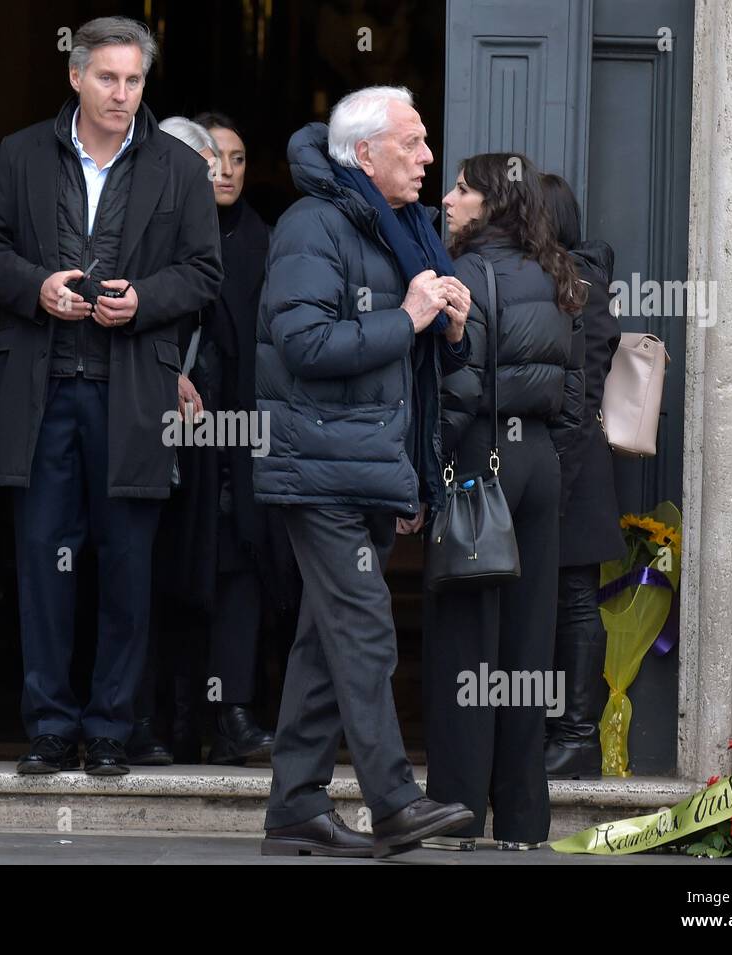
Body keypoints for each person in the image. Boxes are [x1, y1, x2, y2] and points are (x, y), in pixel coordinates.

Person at [0, 17, 222, 776]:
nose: (122, 93)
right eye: (108, 78)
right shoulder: (21, 153)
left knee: (126, 565)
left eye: (134, 80)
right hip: (41, 391)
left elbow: (205, 272)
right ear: (75, 76)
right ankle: (47, 726)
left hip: (133, 392)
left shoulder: (177, 166)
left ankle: (110, 728)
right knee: (44, 559)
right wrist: (36, 286)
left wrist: (144, 300)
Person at [255, 86, 474, 858]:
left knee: (326, 638)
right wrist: (410, 316)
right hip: (319, 465)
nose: (427, 158)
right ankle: (392, 799)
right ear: (366, 153)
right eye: (412, 144)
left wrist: (447, 326)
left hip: (366, 464)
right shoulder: (313, 223)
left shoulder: (400, 228)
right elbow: (307, 345)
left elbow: (415, 360)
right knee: (364, 628)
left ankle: (295, 806)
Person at [425, 152, 585, 844]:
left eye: (462, 188)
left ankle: (457, 813)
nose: (449, 197)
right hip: (539, 463)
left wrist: (430, 474)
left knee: (466, 645)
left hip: (477, 462)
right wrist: (552, 470)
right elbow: (576, 395)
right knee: (527, 645)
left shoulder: (462, 275)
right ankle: (524, 817)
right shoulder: (558, 276)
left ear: (489, 203)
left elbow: (459, 392)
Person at [135, 113, 282, 766]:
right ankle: (170, 717)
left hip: (243, 440)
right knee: (174, 571)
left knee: (239, 569)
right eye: (214, 157)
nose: (224, 170)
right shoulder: (161, 230)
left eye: (239, 158)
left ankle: (236, 714)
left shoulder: (263, 242)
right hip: (177, 437)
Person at [539, 173, 623, 778]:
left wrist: (556, 479)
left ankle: (576, 736)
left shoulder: (581, 284)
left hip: (572, 465)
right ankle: (552, 730)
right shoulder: (564, 278)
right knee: (556, 600)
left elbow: (582, 384)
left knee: (572, 599)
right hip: (557, 463)